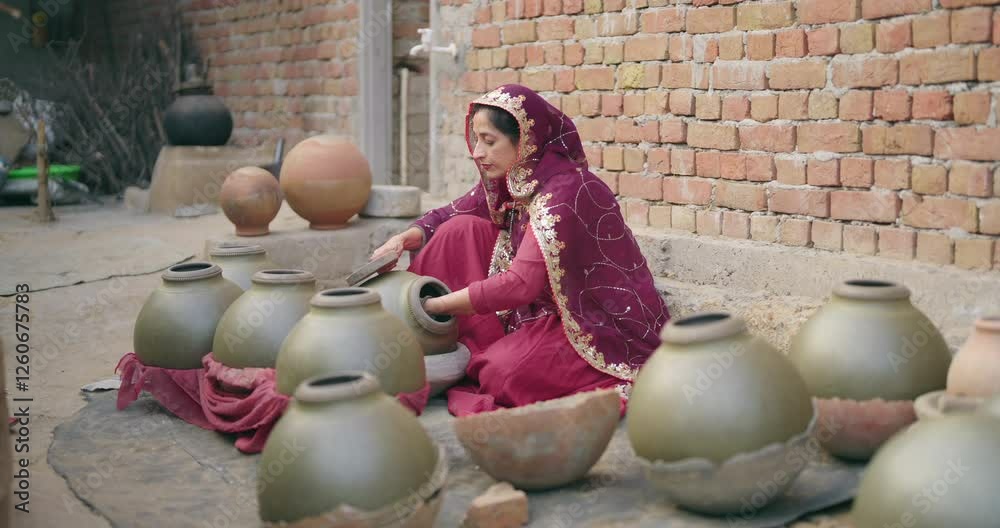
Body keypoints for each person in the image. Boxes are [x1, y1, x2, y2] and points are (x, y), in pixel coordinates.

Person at [370, 84, 669, 417]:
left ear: (525, 139)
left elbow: (519, 284)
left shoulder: (565, 192)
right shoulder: (514, 176)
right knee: (457, 230)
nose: (477, 152)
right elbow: (450, 213)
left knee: (501, 375)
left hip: (588, 322)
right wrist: (402, 239)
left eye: (489, 141)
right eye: (477, 140)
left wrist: (432, 307)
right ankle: (442, 344)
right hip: (529, 310)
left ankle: (467, 350)